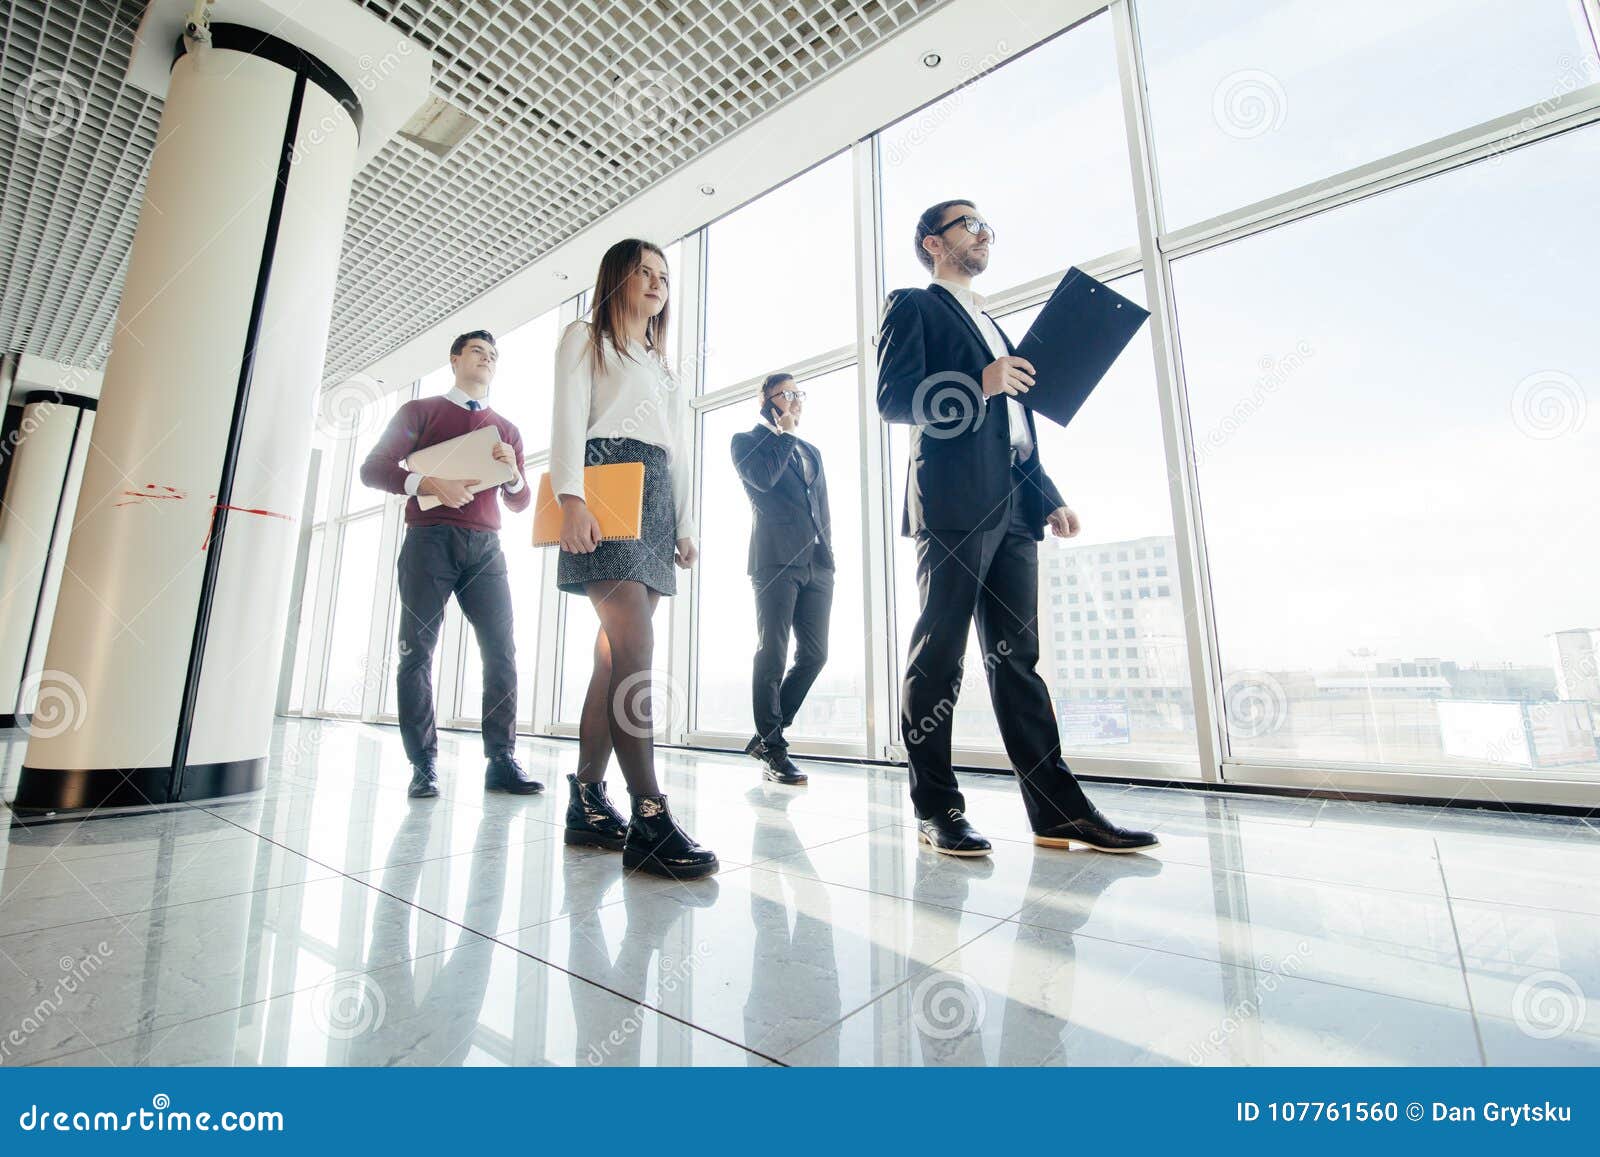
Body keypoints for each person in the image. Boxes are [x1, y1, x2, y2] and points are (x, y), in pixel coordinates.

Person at [875, 199, 1157, 857]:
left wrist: (1048, 494)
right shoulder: (912, 305)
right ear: (933, 243)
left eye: (987, 228)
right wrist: (981, 379)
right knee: (939, 654)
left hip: (1015, 504)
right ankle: (936, 808)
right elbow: (895, 398)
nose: (983, 234)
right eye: (969, 224)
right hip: (952, 502)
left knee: (1018, 662)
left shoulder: (996, 324)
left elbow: (1015, 425)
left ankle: (1058, 810)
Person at [550, 238, 717, 880]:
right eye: (642, 272)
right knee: (637, 652)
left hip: (652, 496)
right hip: (603, 483)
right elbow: (567, 418)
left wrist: (685, 522)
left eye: (663, 276)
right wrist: (570, 498)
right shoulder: (584, 339)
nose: (655, 283)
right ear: (616, 281)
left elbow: (676, 451)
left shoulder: (663, 367)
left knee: (614, 654)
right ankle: (649, 816)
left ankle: (588, 801)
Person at [360, 330, 543, 799]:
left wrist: (514, 474)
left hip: (487, 547)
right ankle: (423, 765)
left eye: (494, 356)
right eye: (478, 352)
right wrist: (428, 483)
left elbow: (520, 503)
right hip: (429, 541)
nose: (487, 360)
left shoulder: (507, 430)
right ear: (455, 359)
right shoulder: (417, 413)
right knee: (416, 652)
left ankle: (501, 760)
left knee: (501, 652)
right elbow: (372, 468)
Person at [730, 373, 833, 785]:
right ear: (765, 400)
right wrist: (785, 433)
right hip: (775, 560)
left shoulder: (812, 450)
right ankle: (773, 748)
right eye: (786, 394)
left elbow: (820, 505)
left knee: (815, 655)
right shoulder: (746, 442)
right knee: (772, 653)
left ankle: (765, 735)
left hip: (818, 563)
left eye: (798, 394)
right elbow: (764, 480)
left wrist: (828, 555)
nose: (795, 401)